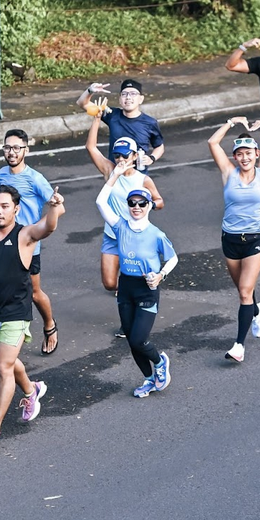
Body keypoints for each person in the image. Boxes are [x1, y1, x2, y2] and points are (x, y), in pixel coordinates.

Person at [0, 184, 66, 449]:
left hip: (16, 314)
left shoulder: (25, 235)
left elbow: (48, 227)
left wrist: (53, 208)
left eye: (5, 206)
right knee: (8, 360)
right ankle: (31, 390)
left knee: (4, 368)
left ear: (16, 209)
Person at [206, 117, 260, 363]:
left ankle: (239, 346)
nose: (244, 158)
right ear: (235, 157)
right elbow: (212, 142)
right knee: (243, 290)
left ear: (256, 154)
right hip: (230, 239)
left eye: (249, 153)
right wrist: (230, 122)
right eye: (240, 154)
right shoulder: (228, 173)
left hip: (256, 239)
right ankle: (257, 312)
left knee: (245, 291)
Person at [94, 172, 178, 398]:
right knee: (132, 340)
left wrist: (161, 275)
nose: (136, 207)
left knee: (139, 339)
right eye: (132, 203)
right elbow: (101, 201)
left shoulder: (156, 234)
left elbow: (173, 258)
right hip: (125, 288)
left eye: (142, 203)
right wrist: (115, 175)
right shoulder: (120, 226)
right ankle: (149, 379)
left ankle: (160, 362)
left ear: (149, 206)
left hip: (147, 289)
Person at [0, 129, 59, 359]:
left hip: (28, 246)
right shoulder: (2, 174)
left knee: (33, 293)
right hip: (5, 243)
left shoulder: (35, 179)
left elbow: (59, 207)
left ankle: (50, 325)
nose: (11, 152)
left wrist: (35, 230)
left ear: (26, 151)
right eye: (7, 147)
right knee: (4, 291)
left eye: (16, 148)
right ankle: (3, 347)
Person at [84, 101, 164, 293]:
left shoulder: (143, 180)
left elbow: (160, 201)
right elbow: (91, 147)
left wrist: (148, 205)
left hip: (136, 236)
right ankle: (126, 289)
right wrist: (96, 119)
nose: (120, 160)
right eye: (117, 155)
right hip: (113, 235)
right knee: (110, 284)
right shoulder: (109, 170)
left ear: (134, 156)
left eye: (125, 156)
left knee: (140, 280)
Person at [76, 78, 164, 170]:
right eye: (124, 94)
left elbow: (159, 146)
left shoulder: (150, 123)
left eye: (133, 94)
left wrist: (152, 158)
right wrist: (90, 90)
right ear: (120, 99)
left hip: (138, 174)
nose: (128, 97)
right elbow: (82, 103)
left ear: (141, 99)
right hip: (114, 173)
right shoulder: (111, 114)